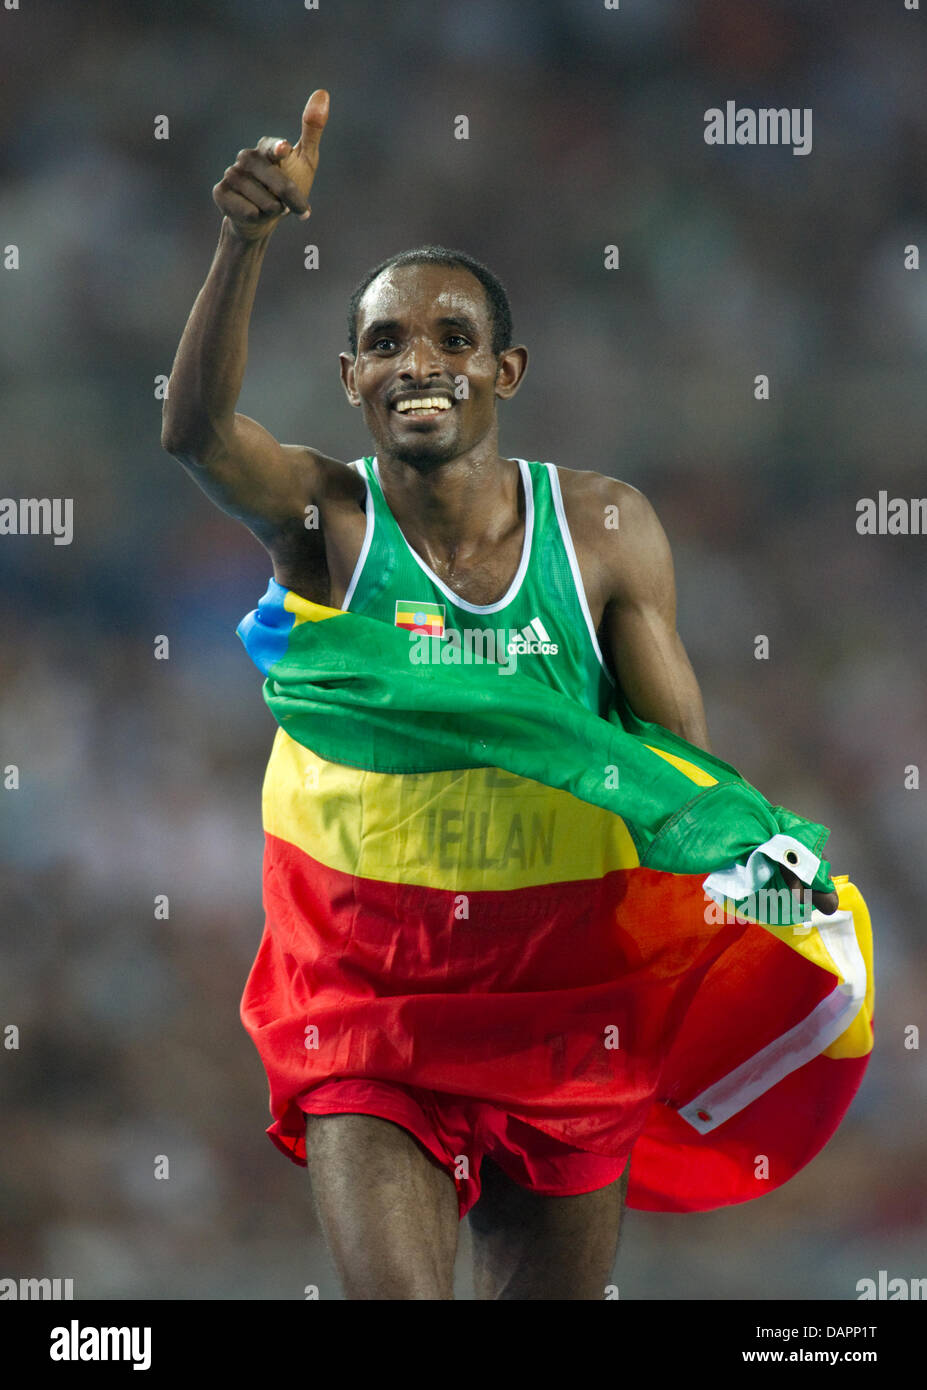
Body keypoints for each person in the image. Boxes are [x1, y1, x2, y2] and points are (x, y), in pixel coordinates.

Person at [161, 90, 838, 1300]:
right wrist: (245, 238)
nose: (419, 360)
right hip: (373, 998)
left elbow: (671, 773)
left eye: (453, 338)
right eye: (385, 343)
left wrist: (753, 874)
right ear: (353, 378)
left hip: (566, 1005)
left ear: (507, 369)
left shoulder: (604, 530)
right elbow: (199, 435)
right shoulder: (330, 522)